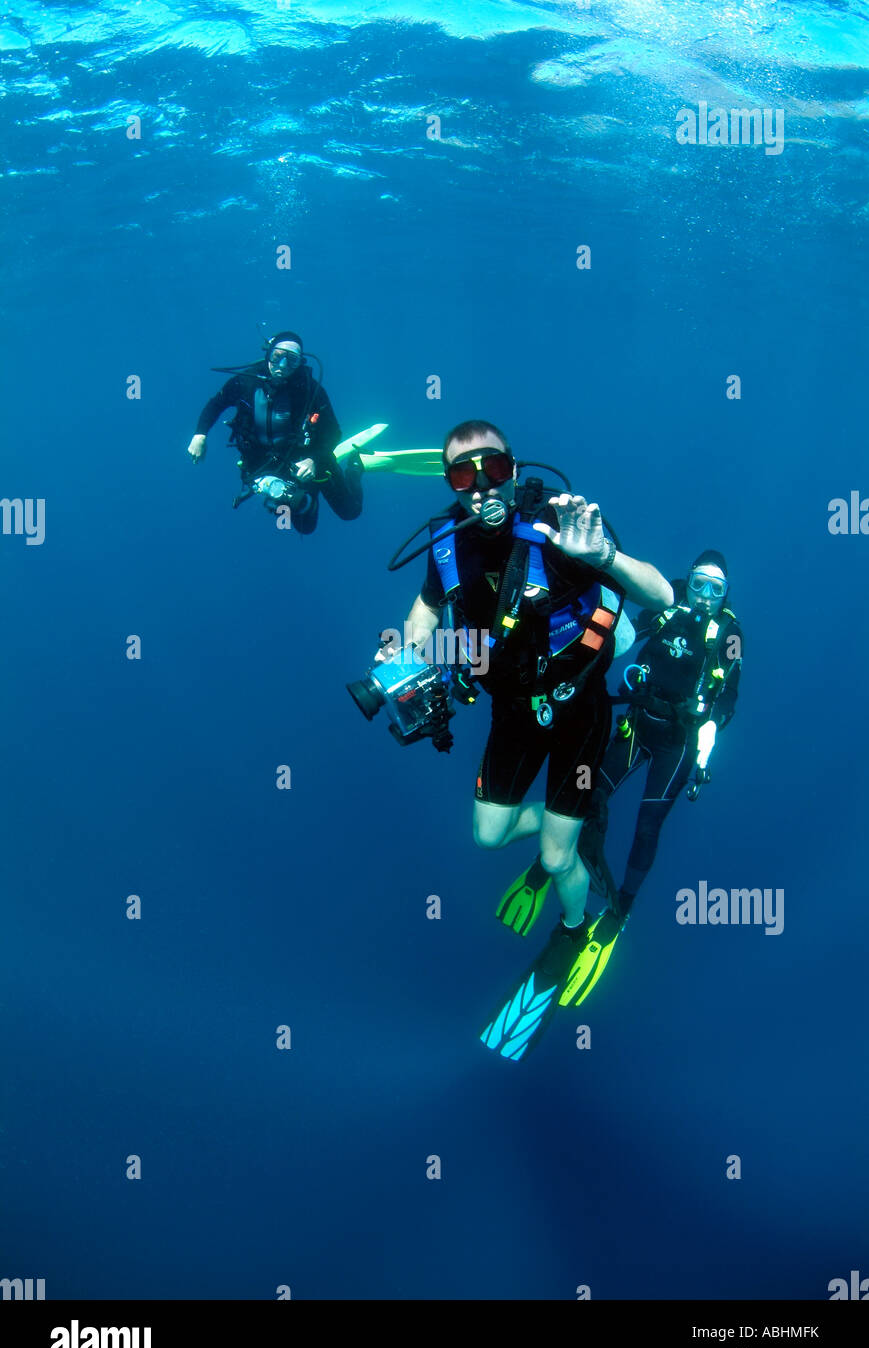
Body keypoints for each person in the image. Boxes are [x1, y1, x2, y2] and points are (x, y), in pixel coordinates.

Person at [379, 420, 672, 1061]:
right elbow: (428, 606)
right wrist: (403, 651)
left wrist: (605, 558)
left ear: (513, 469)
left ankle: (574, 926)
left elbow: (663, 593)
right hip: (511, 710)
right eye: (463, 474)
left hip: (578, 710)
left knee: (559, 859)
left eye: (492, 468)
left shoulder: (563, 529)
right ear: (450, 483)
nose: (481, 486)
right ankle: (572, 817)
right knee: (487, 836)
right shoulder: (447, 542)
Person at [509, 550, 743, 1014]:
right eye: (699, 584)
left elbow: (727, 700)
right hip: (636, 725)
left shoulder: (729, 635)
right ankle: (550, 864)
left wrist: (705, 747)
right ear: (688, 580)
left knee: (647, 827)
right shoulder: (667, 604)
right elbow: (622, 635)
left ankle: (621, 911)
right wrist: (575, 666)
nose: (705, 596)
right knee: (587, 794)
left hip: (679, 743)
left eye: (716, 589)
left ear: (725, 595)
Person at [187, 329, 363, 534]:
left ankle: (355, 468)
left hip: (308, 460)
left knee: (350, 512)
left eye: (292, 360)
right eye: (277, 356)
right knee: (303, 528)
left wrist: (313, 460)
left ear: (300, 362)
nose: (282, 365)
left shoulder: (310, 390)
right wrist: (200, 435)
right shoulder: (245, 382)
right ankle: (304, 499)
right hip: (264, 464)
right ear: (268, 353)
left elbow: (333, 432)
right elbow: (216, 404)